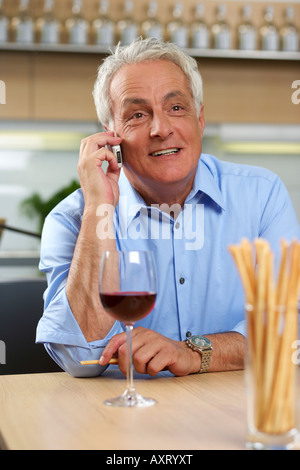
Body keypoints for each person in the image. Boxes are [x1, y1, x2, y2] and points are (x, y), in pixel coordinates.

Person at [36, 38, 300, 378]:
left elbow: (290, 324)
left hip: (234, 411)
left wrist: (196, 353)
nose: (161, 129)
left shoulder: (261, 195)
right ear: (111, 136)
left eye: (176, 108)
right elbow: (78, 356)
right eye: (137, 115)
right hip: (119, 420)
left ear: (200, 119)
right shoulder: (72, 220)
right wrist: (98, 208)